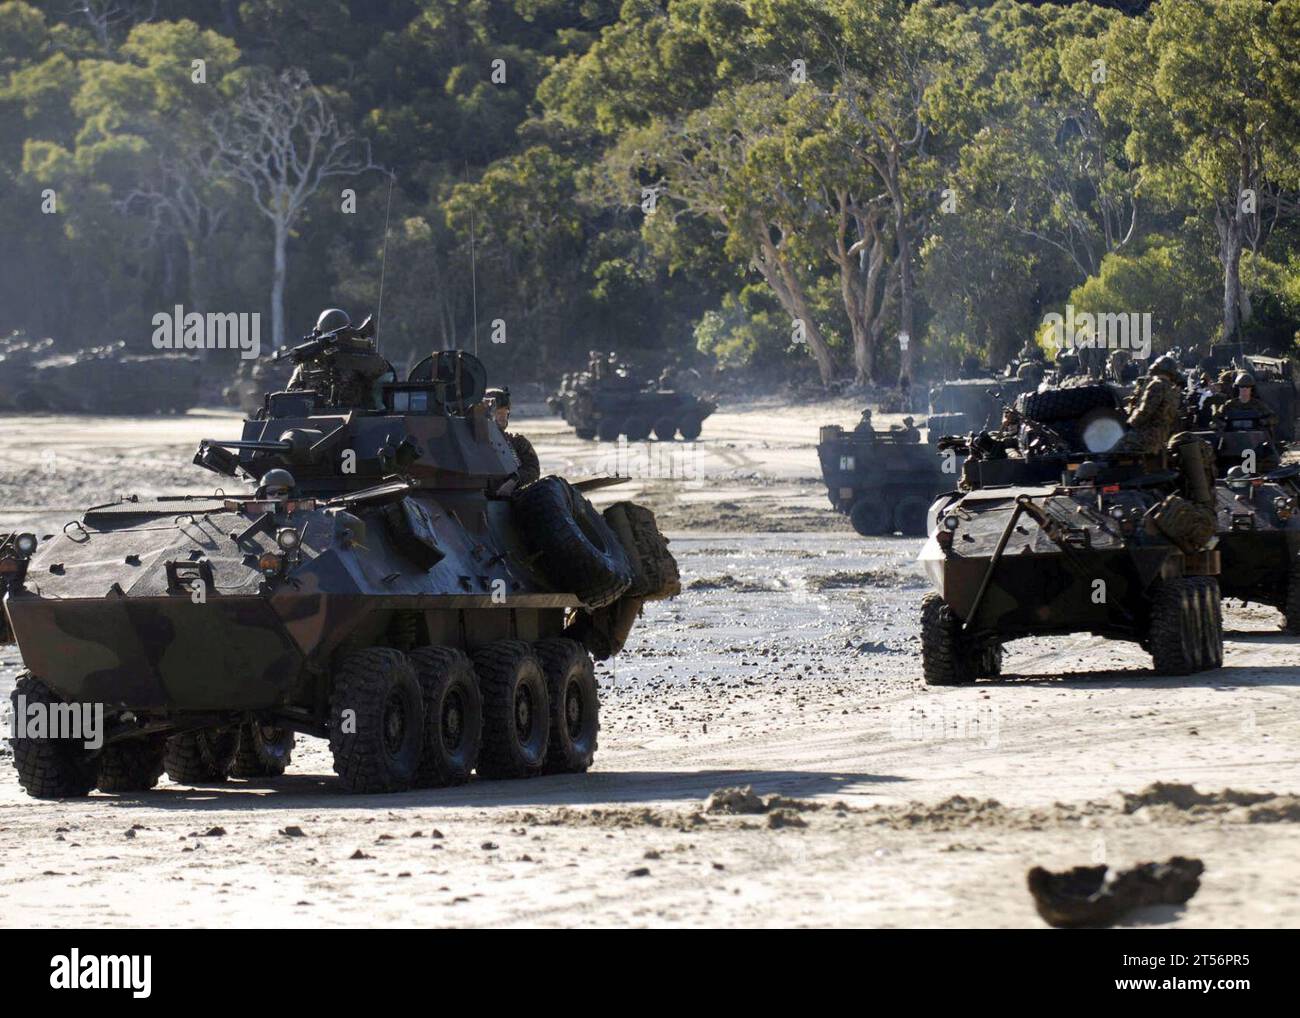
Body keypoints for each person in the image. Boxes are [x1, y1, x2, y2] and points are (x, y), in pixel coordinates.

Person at [1111, 354, 1183, 457]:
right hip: (1160, 439)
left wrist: (1128, 424)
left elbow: (1145, 412)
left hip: (1146, 437)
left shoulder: (1157, 385)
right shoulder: (1173, 390)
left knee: (1111, 451)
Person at [486, 386, 540, 485]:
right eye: (498, 412)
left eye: (505, 412)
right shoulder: (476, 442)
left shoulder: (518, 442)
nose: (502, 416)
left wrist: (514, 480)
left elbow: (533, 470)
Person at [1214, 371, 1279, 433]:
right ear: (1237, 388)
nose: (1245, 389)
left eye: (1247, 387)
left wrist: (1264, 421)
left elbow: (1274, 418)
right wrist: (1222, 423)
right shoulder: (1229, 405)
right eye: (1242, 386)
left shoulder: (1258, 404)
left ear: (1251, 389)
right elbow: (1216, 418)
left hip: (1255, 439)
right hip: (1233, 439)